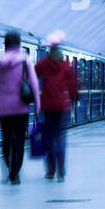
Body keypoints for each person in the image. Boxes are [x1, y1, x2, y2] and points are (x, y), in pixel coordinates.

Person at [0, 30, 41, 185]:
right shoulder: (25, 61)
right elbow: (34, 85)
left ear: (6, 44)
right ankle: (15, 174)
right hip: (21, 108)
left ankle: (9, 168)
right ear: (19, 44)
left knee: (6, 141)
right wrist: (37, 106)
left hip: (4, 109)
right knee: (19, 143)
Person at [35, 32, 78, 181]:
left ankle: (50, 170)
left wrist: (37, 97)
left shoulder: (42, 64)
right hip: (61, 106)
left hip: (47, 106)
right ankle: (61, 169)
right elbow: (72, 86)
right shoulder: (66, 65)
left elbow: (33, 78)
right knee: (60, 138)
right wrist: (73, 100)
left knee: (49, 138)